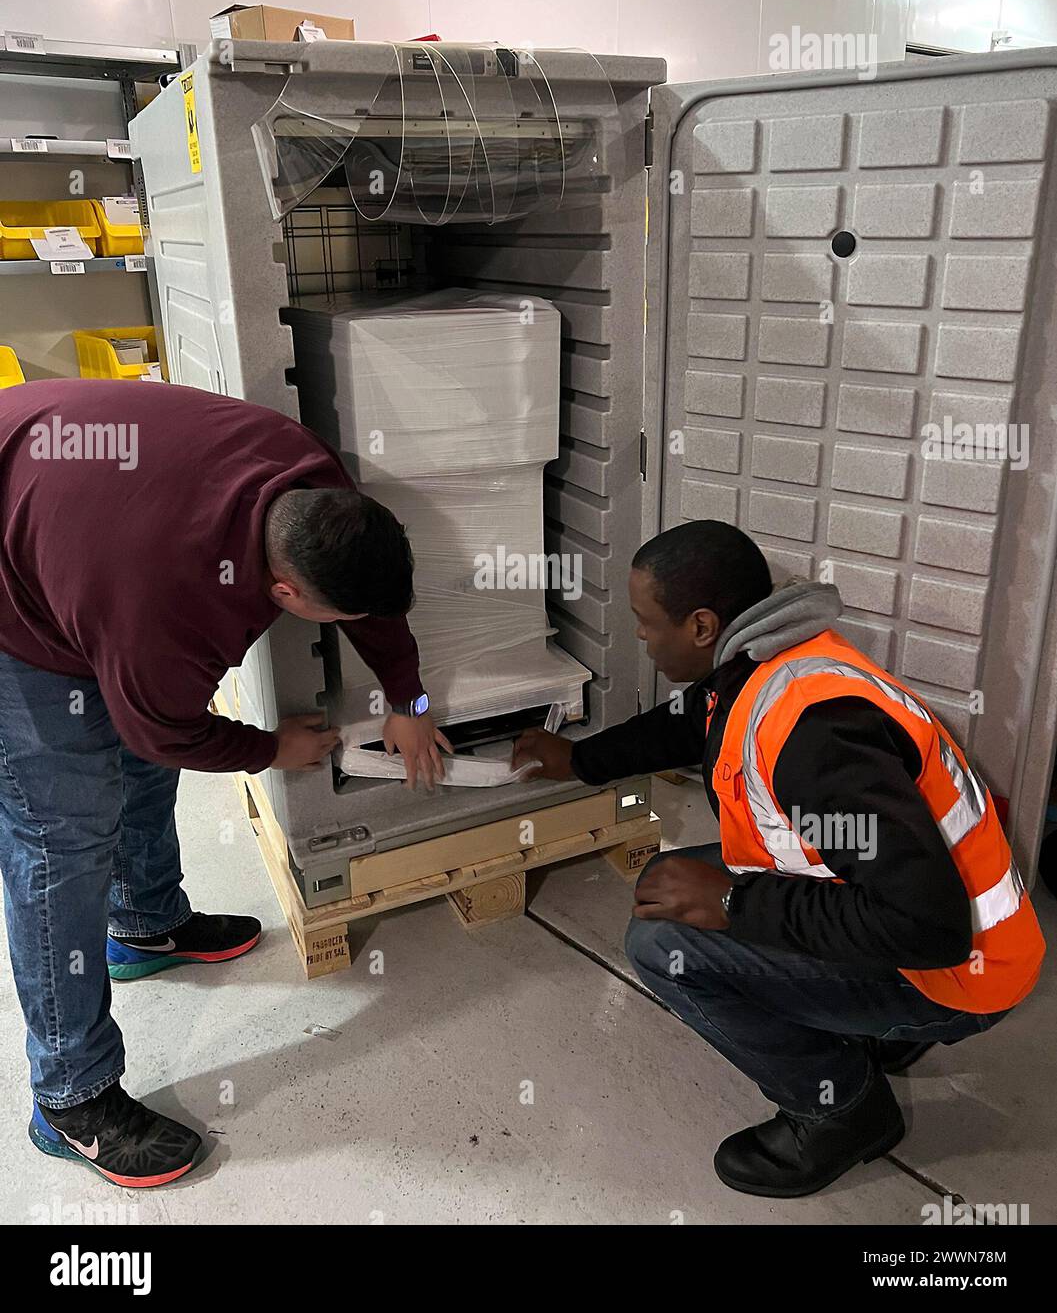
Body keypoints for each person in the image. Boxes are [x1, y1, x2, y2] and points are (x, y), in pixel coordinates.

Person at [0, 377, 448, 1187]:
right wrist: (273, 748)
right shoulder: (169, 594)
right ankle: (72, 1099)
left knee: (134, 756)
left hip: (62, 483)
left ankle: (144, 923)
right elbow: (159, 726)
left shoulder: (315, 493)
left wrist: (409, 698)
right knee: (60, 833)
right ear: (284, 593)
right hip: (12, 586)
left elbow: (368, 604)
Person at [512, 520, 1045, 1198]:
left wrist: (734, 904)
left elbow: (925, 924)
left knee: (661, 941)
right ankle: (878, 1031)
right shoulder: (775, 658)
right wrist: (581, 760)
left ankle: (843, 1113)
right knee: (668, 884)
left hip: (956, 971)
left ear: (702, 625)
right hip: (947, 927)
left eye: (646, 623)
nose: (642, 637)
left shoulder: (814, 737)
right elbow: (693, 720)